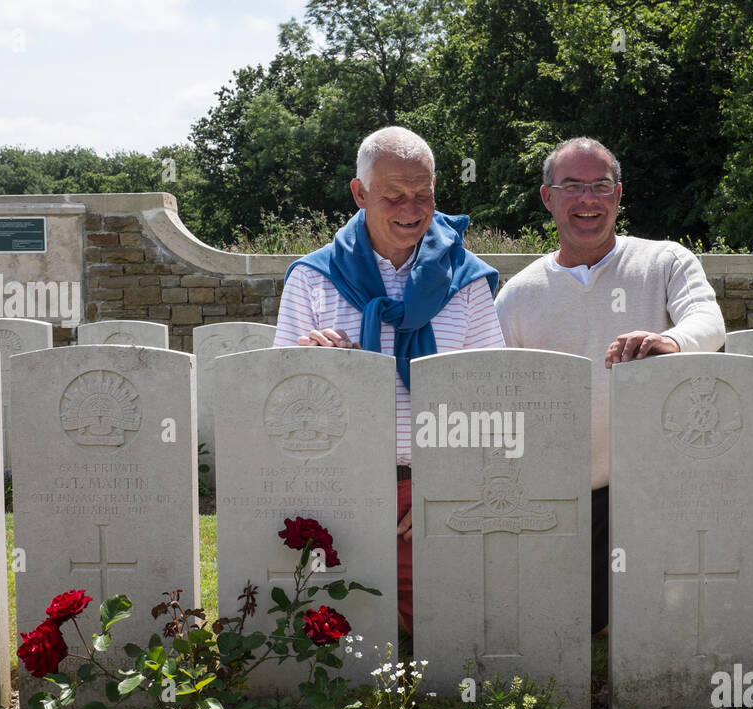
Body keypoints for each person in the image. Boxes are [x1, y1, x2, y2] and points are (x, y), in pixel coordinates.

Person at [274, 126, 504, 638]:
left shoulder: (464, 282)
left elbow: (492, 398)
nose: (412, 208)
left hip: (433, 487)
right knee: (344, 645)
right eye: (394, 195)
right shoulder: (311, 279)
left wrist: (443, 484)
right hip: (337, 488)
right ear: (359, 194)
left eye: (423, 194)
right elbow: (279, 407)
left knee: (448, 640)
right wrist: (317, 369)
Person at [493, 136, 725, 636]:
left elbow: (710, 321)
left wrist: (671, 341)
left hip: (658, 485)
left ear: (618, 195)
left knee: (666, 619)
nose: (588, 200)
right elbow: (496, 394)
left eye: (601, 186)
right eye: (572, 186)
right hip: (564, 493)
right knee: (577, 625)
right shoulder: (517, 297)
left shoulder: (665, 262)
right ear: (547, 197)